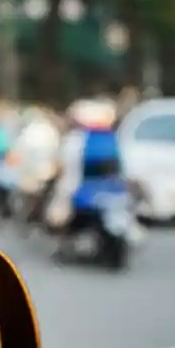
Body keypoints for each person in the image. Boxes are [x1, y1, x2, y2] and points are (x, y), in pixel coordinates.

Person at [43, 97, 124, 258]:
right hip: (105, 192)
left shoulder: (75, 141)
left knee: (58, 212)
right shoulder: (112, 139)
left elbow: (62, 168)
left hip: (78, 190)